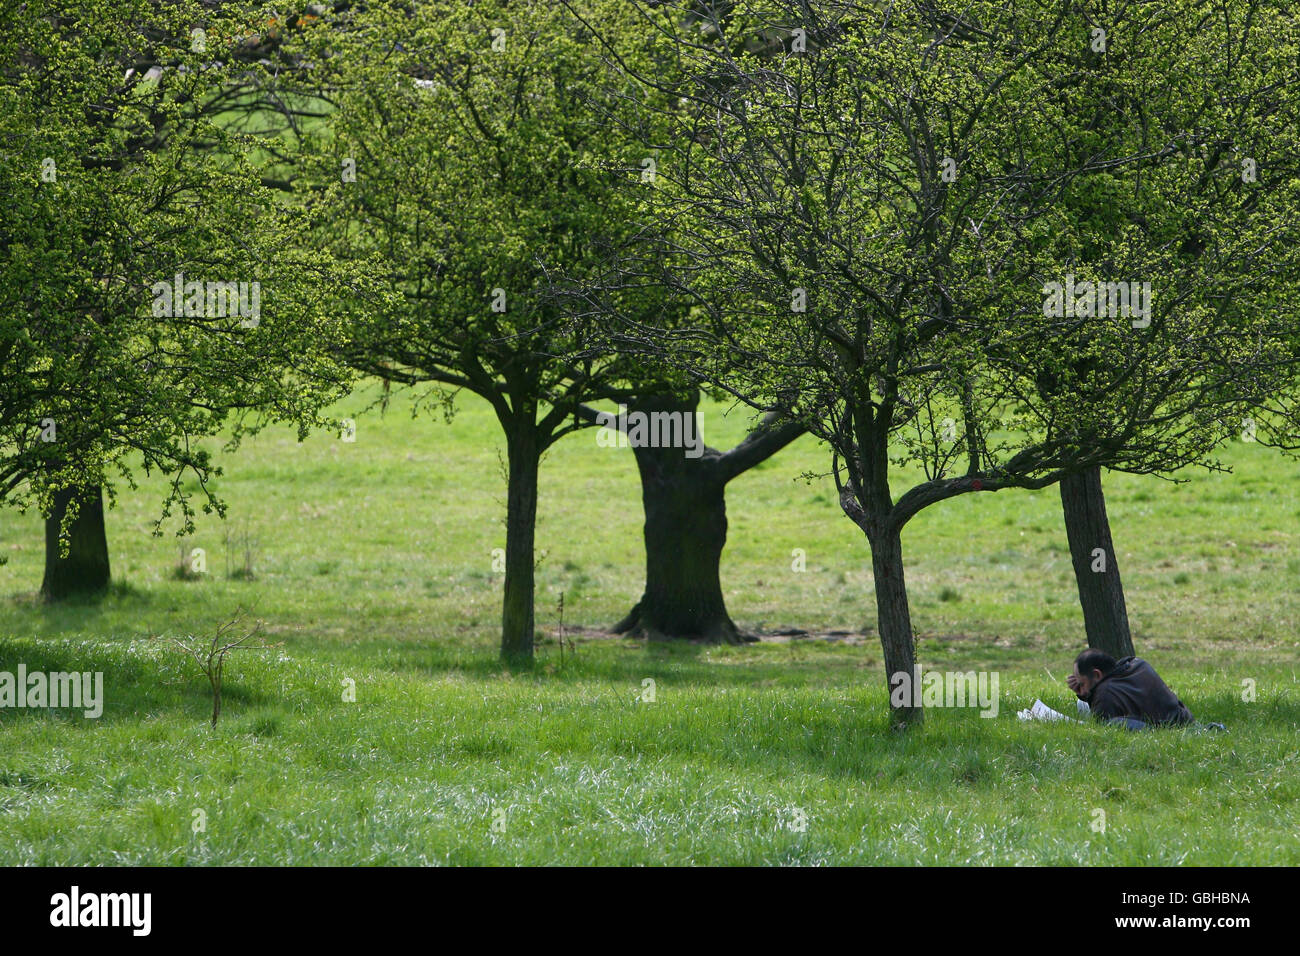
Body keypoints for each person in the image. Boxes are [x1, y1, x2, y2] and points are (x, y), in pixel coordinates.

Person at [1066, 649, 1197, 730]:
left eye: (1082, 684)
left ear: (1097, 675)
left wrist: (1088, 696)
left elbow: (1103, 728)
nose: (1081, 690)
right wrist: (1085, 694)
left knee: (1110, 723)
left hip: (1166, 730)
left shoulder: (1105, 694)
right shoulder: (1138, 664)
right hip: (1184, 719)